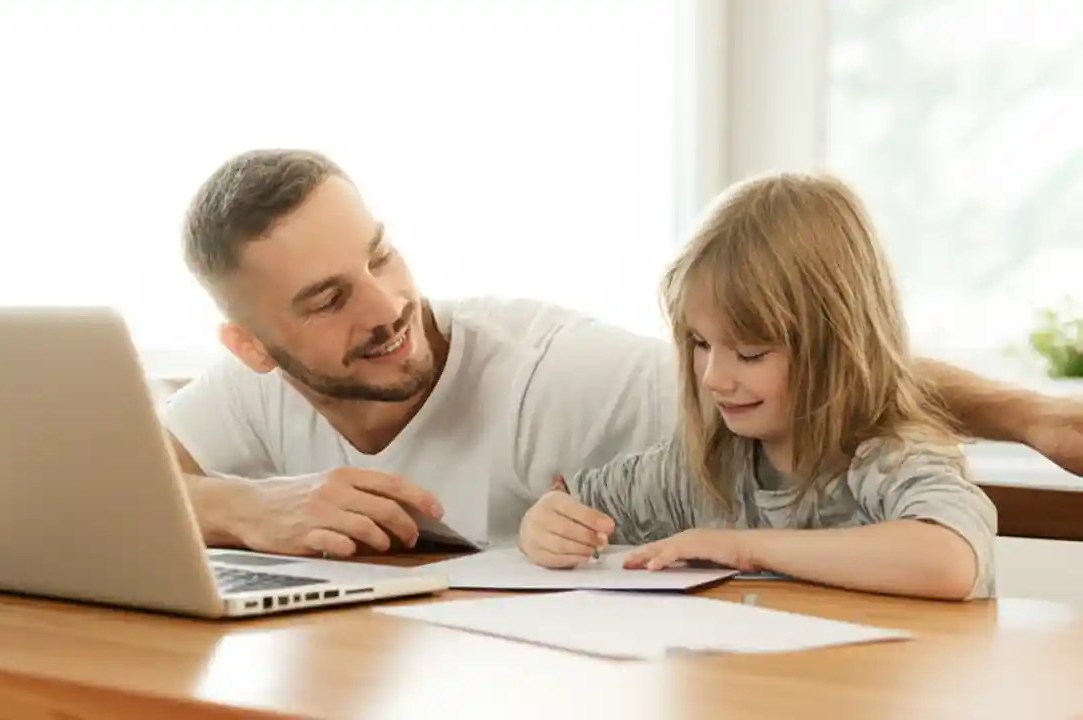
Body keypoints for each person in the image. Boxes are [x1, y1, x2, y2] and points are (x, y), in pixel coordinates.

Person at [161, 148, 1083, 559]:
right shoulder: (244, 397)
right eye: (328, 299)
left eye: (381, 255)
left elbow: (824, 366)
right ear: (251, 346)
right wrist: (244, 509)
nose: (389, 304)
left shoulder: (553, 373)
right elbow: (94, 494)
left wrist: (1030, 414)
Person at [518, 173, 995, 600]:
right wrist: (546, 523)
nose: (714, 377)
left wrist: (744, 548)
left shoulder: (890, 458)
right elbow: (572, 503)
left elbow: (950, 560)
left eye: (750, 354)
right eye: (701, 343)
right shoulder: (703, 467)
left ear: (837, 346)